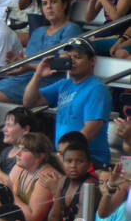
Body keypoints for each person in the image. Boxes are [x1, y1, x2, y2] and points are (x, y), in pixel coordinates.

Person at [23, 39, 113, 167]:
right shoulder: (64, 84)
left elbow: (89, 131)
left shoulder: (97, 89)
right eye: (69, 57)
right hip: (66, 157)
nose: (72, 61)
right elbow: (29, 101)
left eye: (78, 57)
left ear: (92, 61)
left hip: (88, 159)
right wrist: (38, 75)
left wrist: (63, 157)